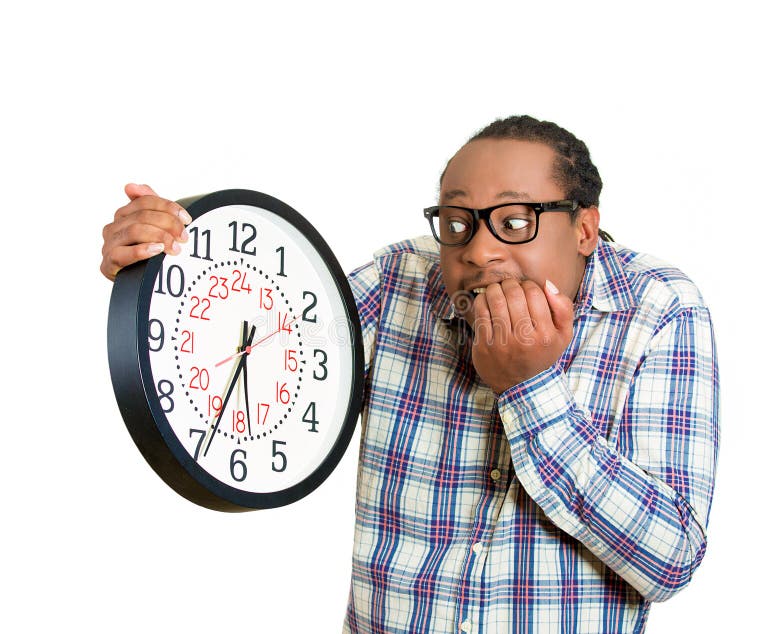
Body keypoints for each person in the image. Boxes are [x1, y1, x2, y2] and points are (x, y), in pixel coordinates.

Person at [100, 115, 719, 633]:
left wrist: (530, 389)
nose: (478, 251)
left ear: (584, 228)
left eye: (514, 222)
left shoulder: (661, 310)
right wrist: (162, 261)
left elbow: (669, 562)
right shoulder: (399, 280)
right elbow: (269, 344)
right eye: (457, 223)